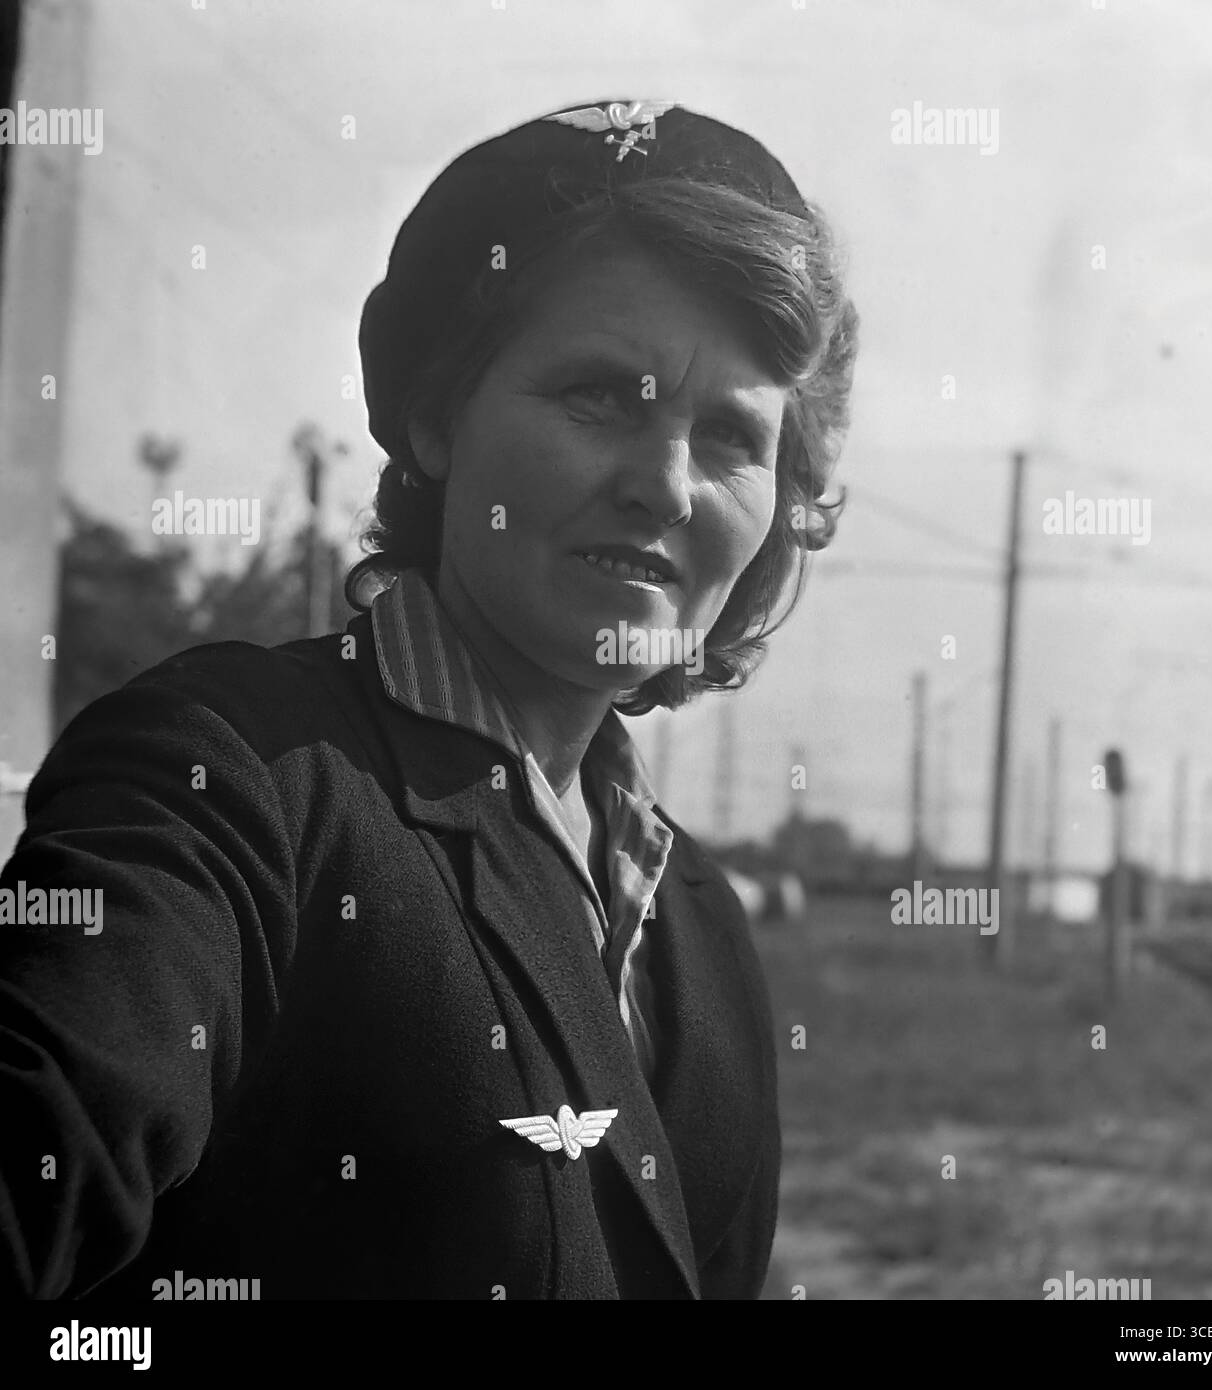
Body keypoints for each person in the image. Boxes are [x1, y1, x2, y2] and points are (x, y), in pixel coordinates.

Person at [0, 98, 858, 1299]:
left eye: (729, 435)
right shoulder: (229, 779)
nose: (665, 485)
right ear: (435, 417)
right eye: (600, 396)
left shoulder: (703, 923)